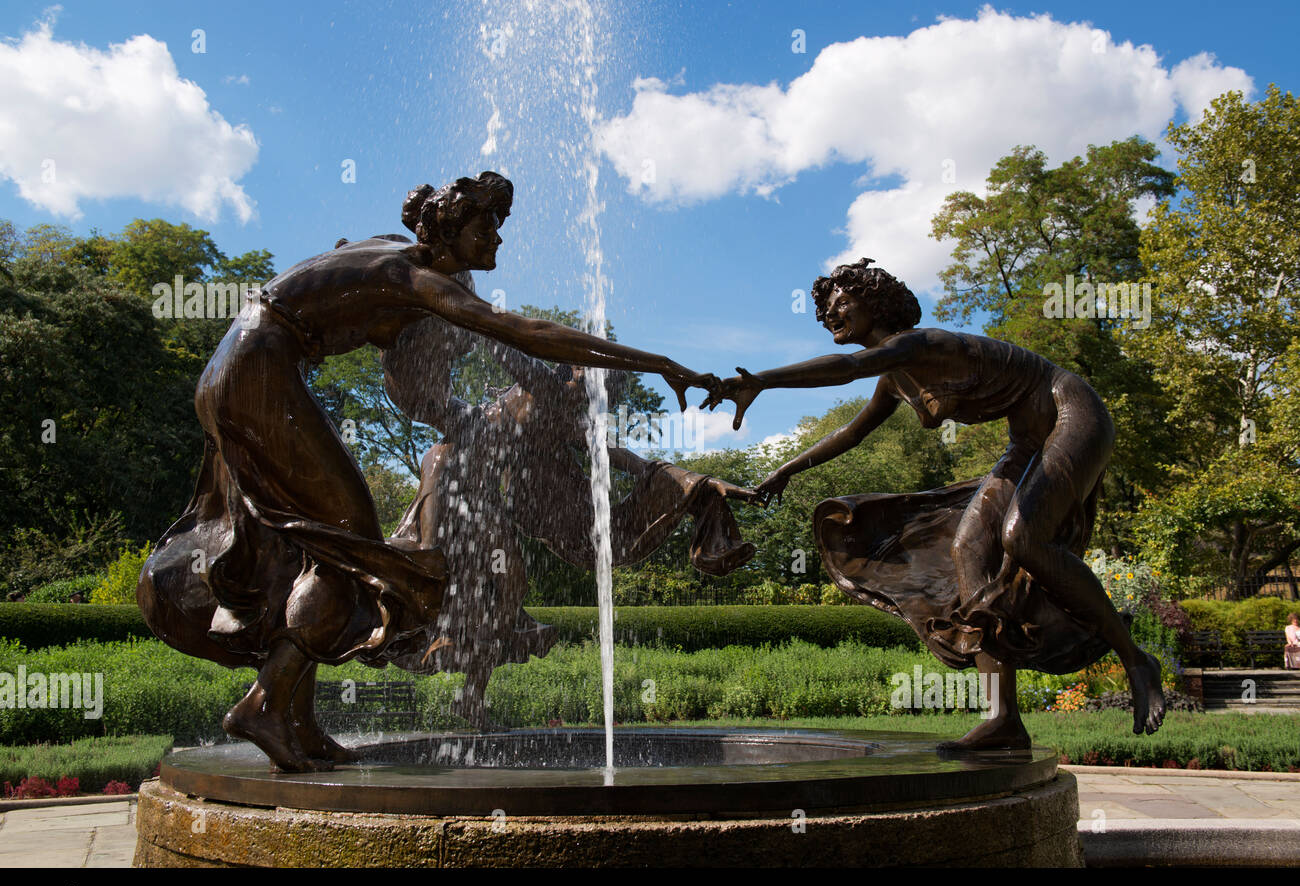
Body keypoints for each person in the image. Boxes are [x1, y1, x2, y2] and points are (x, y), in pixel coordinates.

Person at [136, 171, 718, 772]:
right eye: (484, 227)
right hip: (259, 371)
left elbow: (349, 281)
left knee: (315, 552)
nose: (496, 239)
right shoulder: (416, 277)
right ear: (448, 233)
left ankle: (298, 723)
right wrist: (660, 363)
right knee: (353, 549)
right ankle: (264, 706)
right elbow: (529, 335)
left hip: (236, 371)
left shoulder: (394, 254)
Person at [706, 257, 1165, 747]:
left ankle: (1136, 659)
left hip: (1072, 412)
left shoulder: (922, 345)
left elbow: (847, 369)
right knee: (968, 550)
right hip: (1028, 441)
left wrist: (761, 380)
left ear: (874, 303)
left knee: (1021, 538)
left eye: (841, 303)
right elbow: (852, 432)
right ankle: (1004, 719)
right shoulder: (894, 377)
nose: (830, 316)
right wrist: (785, 471)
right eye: (824, 311)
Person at [383, 327, 755, 724]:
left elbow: (622, 456)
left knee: (510, 585)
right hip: (451, 472)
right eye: (592, 381)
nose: (593, 395)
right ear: (573, 371)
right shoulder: (543, 384)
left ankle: (470, 694)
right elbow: (509, 351)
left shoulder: (566, 417)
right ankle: (430, 629)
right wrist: (468, 317)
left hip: (485, 498)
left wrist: (696, 484)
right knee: (433, 563)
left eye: (602, 391)